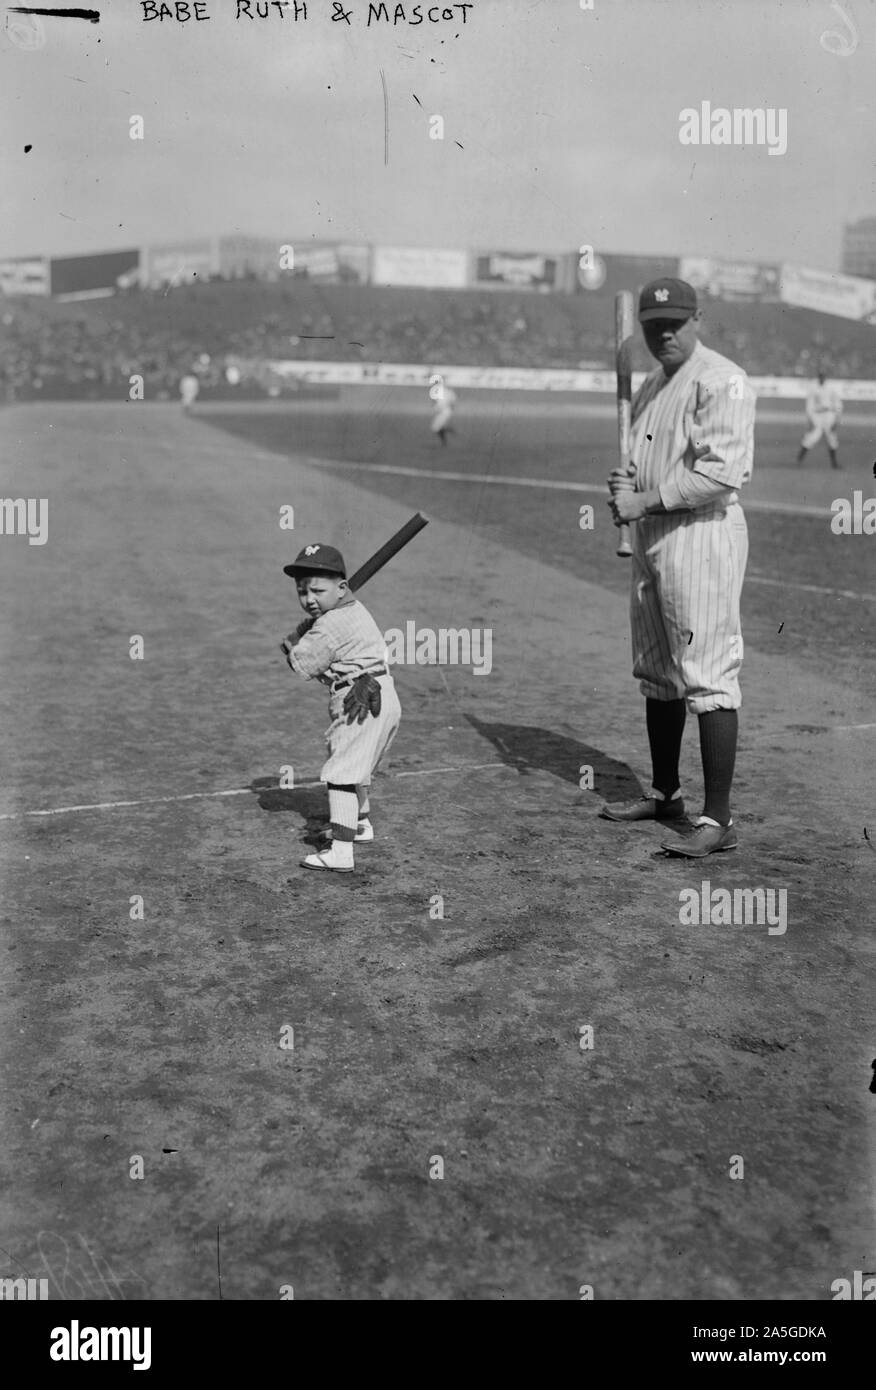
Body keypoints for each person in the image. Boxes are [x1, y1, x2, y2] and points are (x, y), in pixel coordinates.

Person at [603, 277, 756, 857]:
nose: (664, 332)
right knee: (658, 669)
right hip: (654, 536)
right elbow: (646, 470)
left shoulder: (723, 380)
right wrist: (625, 487)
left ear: (698, 320)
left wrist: (642, 500)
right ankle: (666, 794)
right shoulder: (651, 384)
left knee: (708, 673)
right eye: (653, 325)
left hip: (703, 536)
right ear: (642, 327)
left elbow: (723, 474)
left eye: (676, 322)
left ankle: (718, 821)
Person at [280, 544, 400, 873]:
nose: (309, 599)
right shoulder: (352, 610)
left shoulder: (330, 625)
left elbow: (304, 664)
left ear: (342, 588)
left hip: (360, 699)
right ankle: (359, 825)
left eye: (318, 590)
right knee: (355, 765)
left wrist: (292, 646)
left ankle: (341, 853)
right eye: (302, 592)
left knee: (342, 774)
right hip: (382, 695)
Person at [796, 372, 842, 469]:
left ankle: (834, 463)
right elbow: (809, 405)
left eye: (823, 377)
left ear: (825, 378)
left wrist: (837, 419)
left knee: (831, 438)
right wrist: (810, 420)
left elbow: (838, 403)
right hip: (817, 415)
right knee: (812, 436)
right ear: (818, 378)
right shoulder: (814, 389)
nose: (822, 379)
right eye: (820, 377)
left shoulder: (831, 388)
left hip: (829, 414)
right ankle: (799, 459)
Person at [429, 373, 457, 445]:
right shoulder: (448, 391)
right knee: (436, 428)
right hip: (444, 412)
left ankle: (449, 434)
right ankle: (449, 433)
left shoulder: (444, 391)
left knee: (435, 428)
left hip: (444, 412)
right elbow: (453, 402)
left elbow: (451, 402)